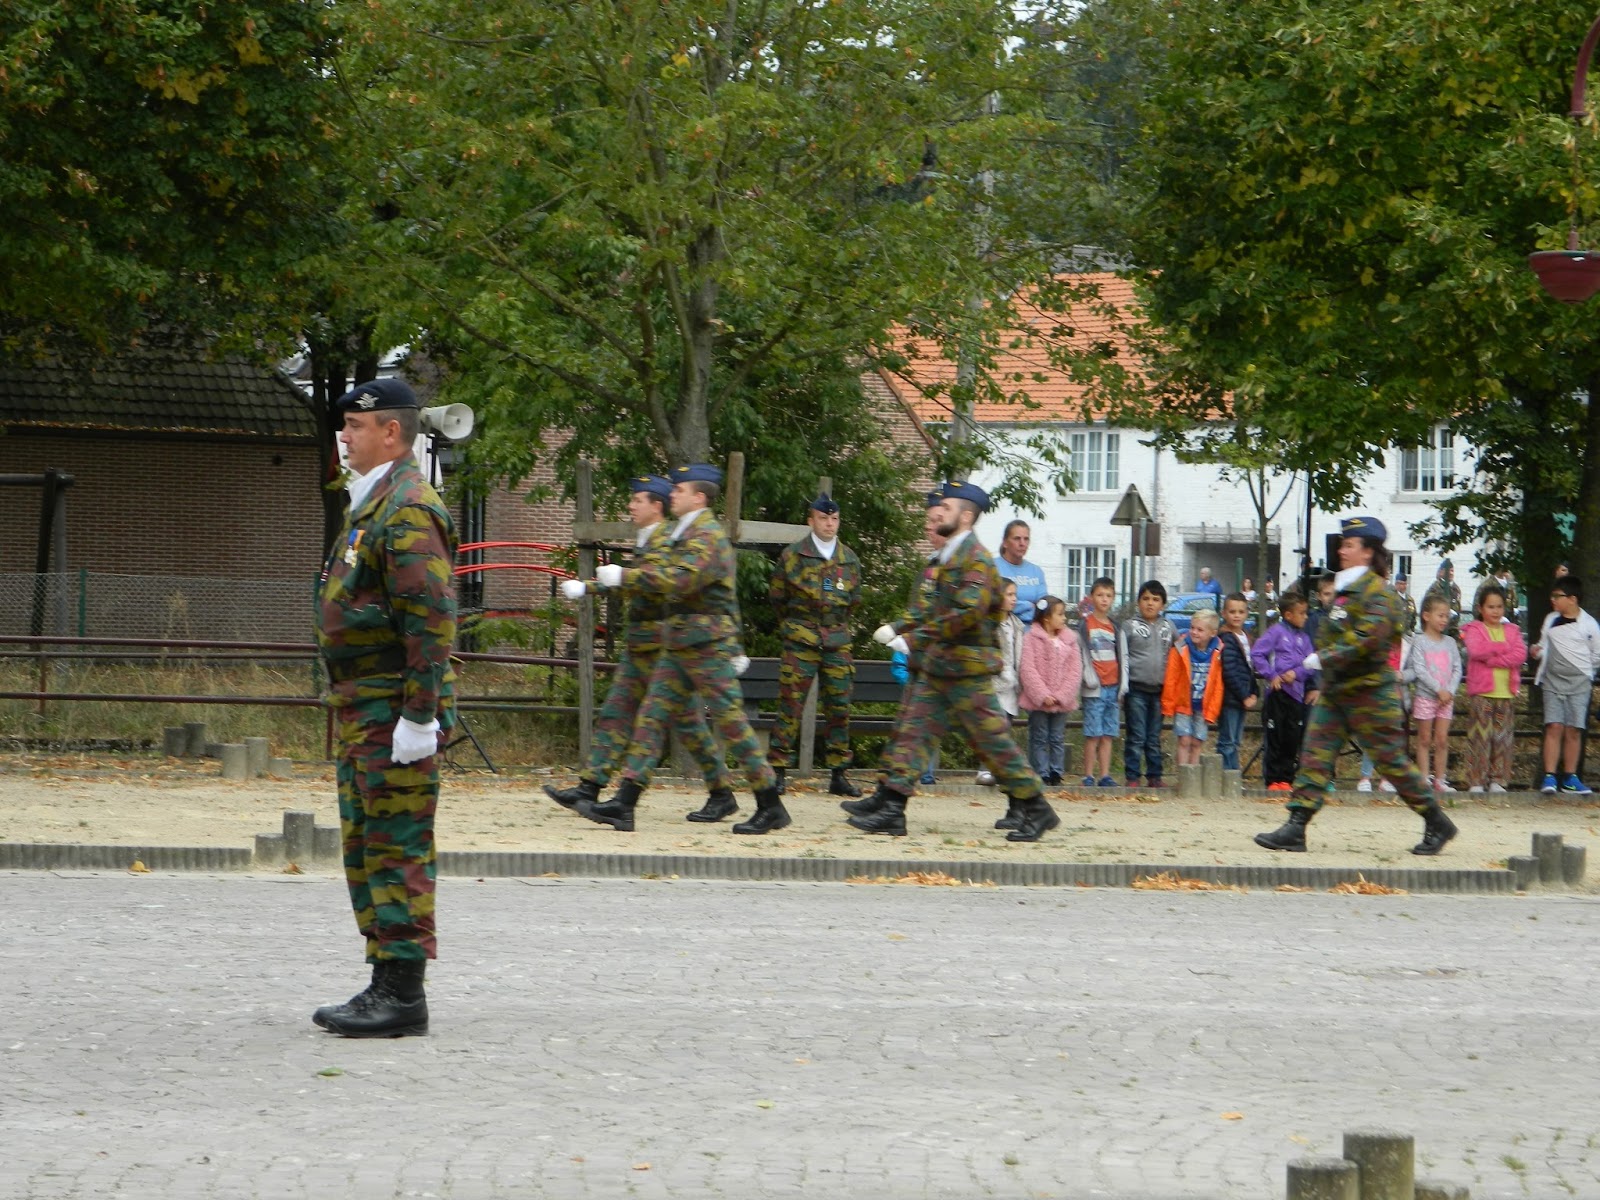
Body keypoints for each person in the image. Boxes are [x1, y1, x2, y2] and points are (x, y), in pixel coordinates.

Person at [313, 377, 457, 1039]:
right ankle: (383, 980)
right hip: (364, 709)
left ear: (390, 432)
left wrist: (419, 716)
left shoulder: (405, 508)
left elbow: (430, 619)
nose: (344, 436)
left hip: (393, 712)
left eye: (355, 425)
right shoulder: (372, 503)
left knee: (396, 848)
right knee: (367, 846)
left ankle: (403, 993)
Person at [587, 464, 787, 833]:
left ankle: (770, 803)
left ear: (699, 497)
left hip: (707, 646)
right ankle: (625, 802)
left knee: (731, 724)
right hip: (681, 644)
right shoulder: (686, 533)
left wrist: (625, 576)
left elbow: (682, 578)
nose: (672, 495)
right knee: (650, 718)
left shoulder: (707, 535)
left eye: (678, 490)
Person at [854, 481, 1056, 841]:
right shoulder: (949, 557)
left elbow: (967, 613)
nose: (937, 514)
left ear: (965, 516)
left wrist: (913, 638)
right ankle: (892, 808)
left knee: (992, 742)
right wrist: (899, 627)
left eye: (945, 509)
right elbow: (932, 608)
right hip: (940, 665)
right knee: (913, 733)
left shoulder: (974, 558)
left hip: (967, 668)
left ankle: (1037, 808)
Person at [1254, 516, 1458, 855]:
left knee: (1392, 762)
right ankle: (1296, 826)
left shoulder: (1382, 596)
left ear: (1367, 552)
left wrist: (1322, 658)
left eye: (1349, 545)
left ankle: (1437, 820)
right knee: (1314, 754)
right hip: (1338, 694)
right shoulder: (1347, 591)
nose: (1342, 550)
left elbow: (1366, 640)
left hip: (1370, 694)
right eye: (1343, 544)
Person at [544, 475, 738, 824]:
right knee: (617, 713)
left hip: (664, 647)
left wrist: (591, 587)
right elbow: (631, 576)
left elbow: (648, 582)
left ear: (657, 506)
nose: (631, 506)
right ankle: (590, 786)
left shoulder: (669, 539)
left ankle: (721, 793)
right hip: (642, 647)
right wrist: (591, 586)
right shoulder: (650, 538)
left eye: (638, 500)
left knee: (689, 724)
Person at [765, 494, 863, 797]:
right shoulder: (793, 556)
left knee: (839, 708)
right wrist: (798, 627)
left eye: (834, 519)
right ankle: (778, 771)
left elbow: (853, 602)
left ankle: (838, 774)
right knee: (790, 706)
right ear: (811, 521)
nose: (829, 524)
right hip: (801, 640)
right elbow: (778, 598)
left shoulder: (849, 559)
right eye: (823, 518)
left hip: (836, 642)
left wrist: (833, 628)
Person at [1529, 574, 1600, 794]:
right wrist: (1537, 651)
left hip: (1579, 684)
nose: (1553, 600)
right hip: (1552, 681)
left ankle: (1570, 777)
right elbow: (1543, 645)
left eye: (1557, 596)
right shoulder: (1550, 619)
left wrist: (1582, 670)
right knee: (1554, 726)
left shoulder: (1589, 625)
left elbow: (1597, 655)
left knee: (1574, 730)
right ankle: (1549, 777)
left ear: (1572, 599)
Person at [1458, 585, 1524, 794]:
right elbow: (1476, 650)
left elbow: (1520, 654)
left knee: (1502, 738)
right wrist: (1504, 648)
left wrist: (1495, 660)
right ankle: (1477, 779)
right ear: (1481, 608)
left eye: (1499, 607)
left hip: (1506, 692)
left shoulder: (1512, 630)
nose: (1495, 611)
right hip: (1482, 693)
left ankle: (1498, 779)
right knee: (1480, 738)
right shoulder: (1474, 629)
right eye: (1490, 607)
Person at [1252, 591, 1315, 791]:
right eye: (1302, 613)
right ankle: (1272, 779)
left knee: (1292, 737)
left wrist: (1296, 674)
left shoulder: (1304, 639)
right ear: (1288, 615)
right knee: (1275, 736)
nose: (1305, 617)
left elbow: (1311, 664)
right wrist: (1272, 675)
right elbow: (1257, 654)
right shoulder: (1276, 632)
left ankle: (1286, 778)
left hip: (1296, 695)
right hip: (1278, 694)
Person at [1019, 595, 1082, 786]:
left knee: (1057, 737)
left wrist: (1061, 695)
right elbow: (1027, 669)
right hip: (1038, 702)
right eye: (1060, 614)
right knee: (1039, 736)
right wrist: (1042, 694)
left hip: (1061, 702)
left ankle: (1056, 771)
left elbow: (1075, 670)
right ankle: (1040, 771)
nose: (1064, 618)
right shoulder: (1030, 639)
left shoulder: (1070, 641)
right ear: (1046, 617)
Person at [1404, 594, 1463, 792]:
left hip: (1447, 699)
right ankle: (1423, 777)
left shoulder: (1450, 643)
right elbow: (1419, 670)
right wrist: (1438, 690)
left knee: (1442, 739)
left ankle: (1440, 779)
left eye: (1447, 616)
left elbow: (1457, 668)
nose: (1444, 620)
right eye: (1440, 615)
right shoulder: (1419, 642)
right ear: (1427, 616)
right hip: (1426, 697)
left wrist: (1450, 691)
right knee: (1424, 739)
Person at [1123, 580, 1177, 787]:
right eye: (1145, 599)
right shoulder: (1130, 626)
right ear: (1138, 602)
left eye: (1156, 599)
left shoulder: (1168, 627)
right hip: (1136, 688)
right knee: (1136, 735)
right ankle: (1133, 776)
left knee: (1154, 736)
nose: (1150, 603)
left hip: (1160, 690)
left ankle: (1155, 775)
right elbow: (1123, 655)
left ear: (1163, 604)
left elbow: (1180, 649)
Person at [1077, 576, 1127, 788]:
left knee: (1108, 734)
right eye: (1100, 595)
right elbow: (1080, 654)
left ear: (1113, 598)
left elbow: (1122, 655)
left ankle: (1105, 775)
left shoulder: (1115, 627)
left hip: (1113, 687)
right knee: (1093, 734)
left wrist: (1122, 685)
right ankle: (1088, 774)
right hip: (1094, 688)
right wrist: (1086, 680)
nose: (1104, 600)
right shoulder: (1085, 625)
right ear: (1091, 597)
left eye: (1108, 596)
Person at [977, 579, 1025, 787]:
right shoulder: (989, 624)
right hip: (994, 684)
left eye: (1015, 595)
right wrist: (1000, 671)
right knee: (992, 728)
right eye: (1009, 594)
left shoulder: (1016, 624)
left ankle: (999, 769)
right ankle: (984, 769)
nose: (1014, 599)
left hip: (1012, 686)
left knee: (1005, 728)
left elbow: (1018, 654)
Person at [1162, 608, 1223, 769]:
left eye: (1200, 629)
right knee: (1184, 740)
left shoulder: (1218, 652)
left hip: (1203, 704)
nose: (1194, 632)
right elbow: (1171, 677)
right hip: (1184, 702)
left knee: (1197, 741)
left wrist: (1213, 710)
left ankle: (1193, 775)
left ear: (1212, 633)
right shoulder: (1181, 648)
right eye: (1192, 628)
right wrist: (1168, 704)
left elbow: (1218, 685)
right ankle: (1183, 775)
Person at [1214, 593, 1257, 772]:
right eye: (1232, 611)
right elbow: (1229, 671)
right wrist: (1245, 695)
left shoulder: (1245, 637)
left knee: (1235, 741)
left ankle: (1233, 777)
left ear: (1247, 613)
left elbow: (1249, 668)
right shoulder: (1226, 638)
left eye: (1241, 611)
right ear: (1224, 613)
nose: (1236, 615)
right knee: (1227, 741)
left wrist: (1254, 691)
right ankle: (1227, 777)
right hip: (1230, 698)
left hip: (1241, 696)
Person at [994, 519, 1048, 623]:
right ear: (1005, 542)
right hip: (1003, 630)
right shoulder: (993, 567)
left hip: (1032, 632)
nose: (1022, 543)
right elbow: (995, 603)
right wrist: (1028, 605)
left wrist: (1014, 607)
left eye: (1026, 539)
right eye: (1017, 538)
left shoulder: (1036, 571)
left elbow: (1043, 606)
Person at [1425, 560, 1463, 633]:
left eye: (1452, 571)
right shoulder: (1435, 588)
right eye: (1449, 571)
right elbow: (1429, 607)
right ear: (1442, 572)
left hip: (1453, 629)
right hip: (1438, 629)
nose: (1451, 573)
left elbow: (1457, 606)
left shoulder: (1456, 588)